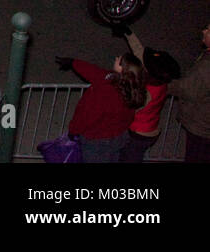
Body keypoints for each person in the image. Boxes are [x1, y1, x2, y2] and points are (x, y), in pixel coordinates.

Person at [57, 52, 147, 163]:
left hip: (97, 141)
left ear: (122, 69)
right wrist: (74, 63)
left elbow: (87, 116)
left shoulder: (105, 92)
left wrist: (74, 130)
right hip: (119, 137)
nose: (117, 57)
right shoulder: (130, 86)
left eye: (120, 59)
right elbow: (96, 73)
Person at [115, 26, 180, 163]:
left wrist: (124, 79)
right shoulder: (161, 83)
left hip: (139, 134)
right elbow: (140, 51)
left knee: (129, 159)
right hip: (150, 131)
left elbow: (129, 107)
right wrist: (129, 34)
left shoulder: (147, 93)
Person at [166, 19, 210, 162]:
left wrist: (163, 85)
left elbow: (187, 89)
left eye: (209, 30)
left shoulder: (207, 67)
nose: (204, 31)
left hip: (201, 127)